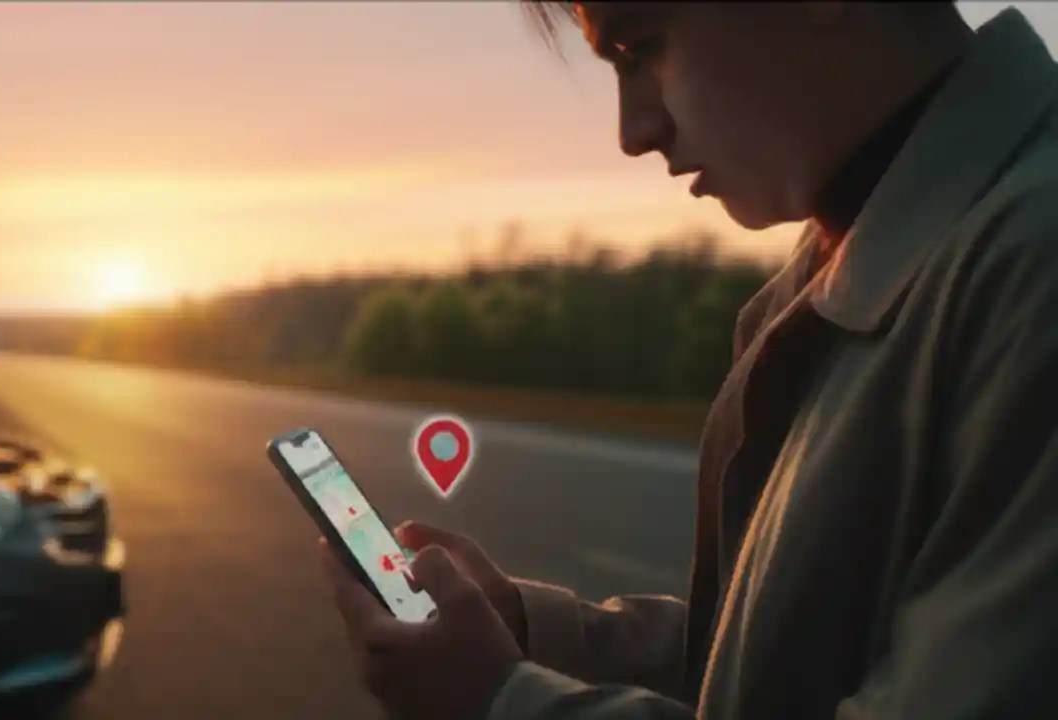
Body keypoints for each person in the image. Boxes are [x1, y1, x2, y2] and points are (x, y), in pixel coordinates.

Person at [318, 2, 1058, 718]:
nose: (633, 132)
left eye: (642, 45)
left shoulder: (1029, 271)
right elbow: (784, 666)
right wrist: (529, 635)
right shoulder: (848, 272)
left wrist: (494, 701)